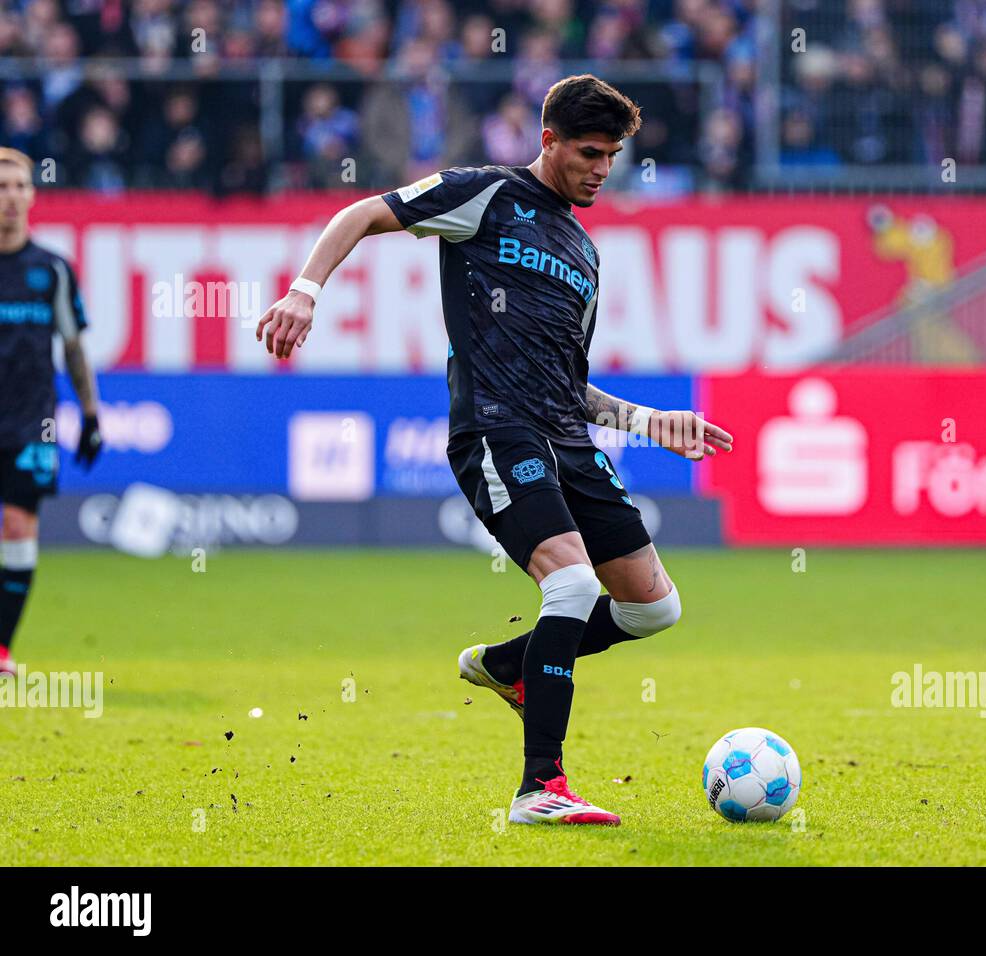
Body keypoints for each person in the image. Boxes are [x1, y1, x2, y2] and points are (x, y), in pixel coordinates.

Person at [256, 74, 732, 825]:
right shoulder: (483, 194)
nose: (601, 168)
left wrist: (646, 421)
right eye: (588, 152)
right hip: (497, 429)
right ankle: (539, 788)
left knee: (654, 608)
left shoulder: (583, 251)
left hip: (568, 439)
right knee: (572, 588)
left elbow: (571, 384)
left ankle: (512, 664)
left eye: (612, 155)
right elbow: (361, 212)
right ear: (548, 141)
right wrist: (304, 291)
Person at [0, 147, 102, 677]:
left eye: (19, 186)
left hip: (29, 421)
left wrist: (90, 414)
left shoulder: (52, 270)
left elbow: (74, 347)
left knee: (18, 529)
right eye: (1, 188)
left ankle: (1, 649)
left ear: (33, 195)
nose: (11, 197)